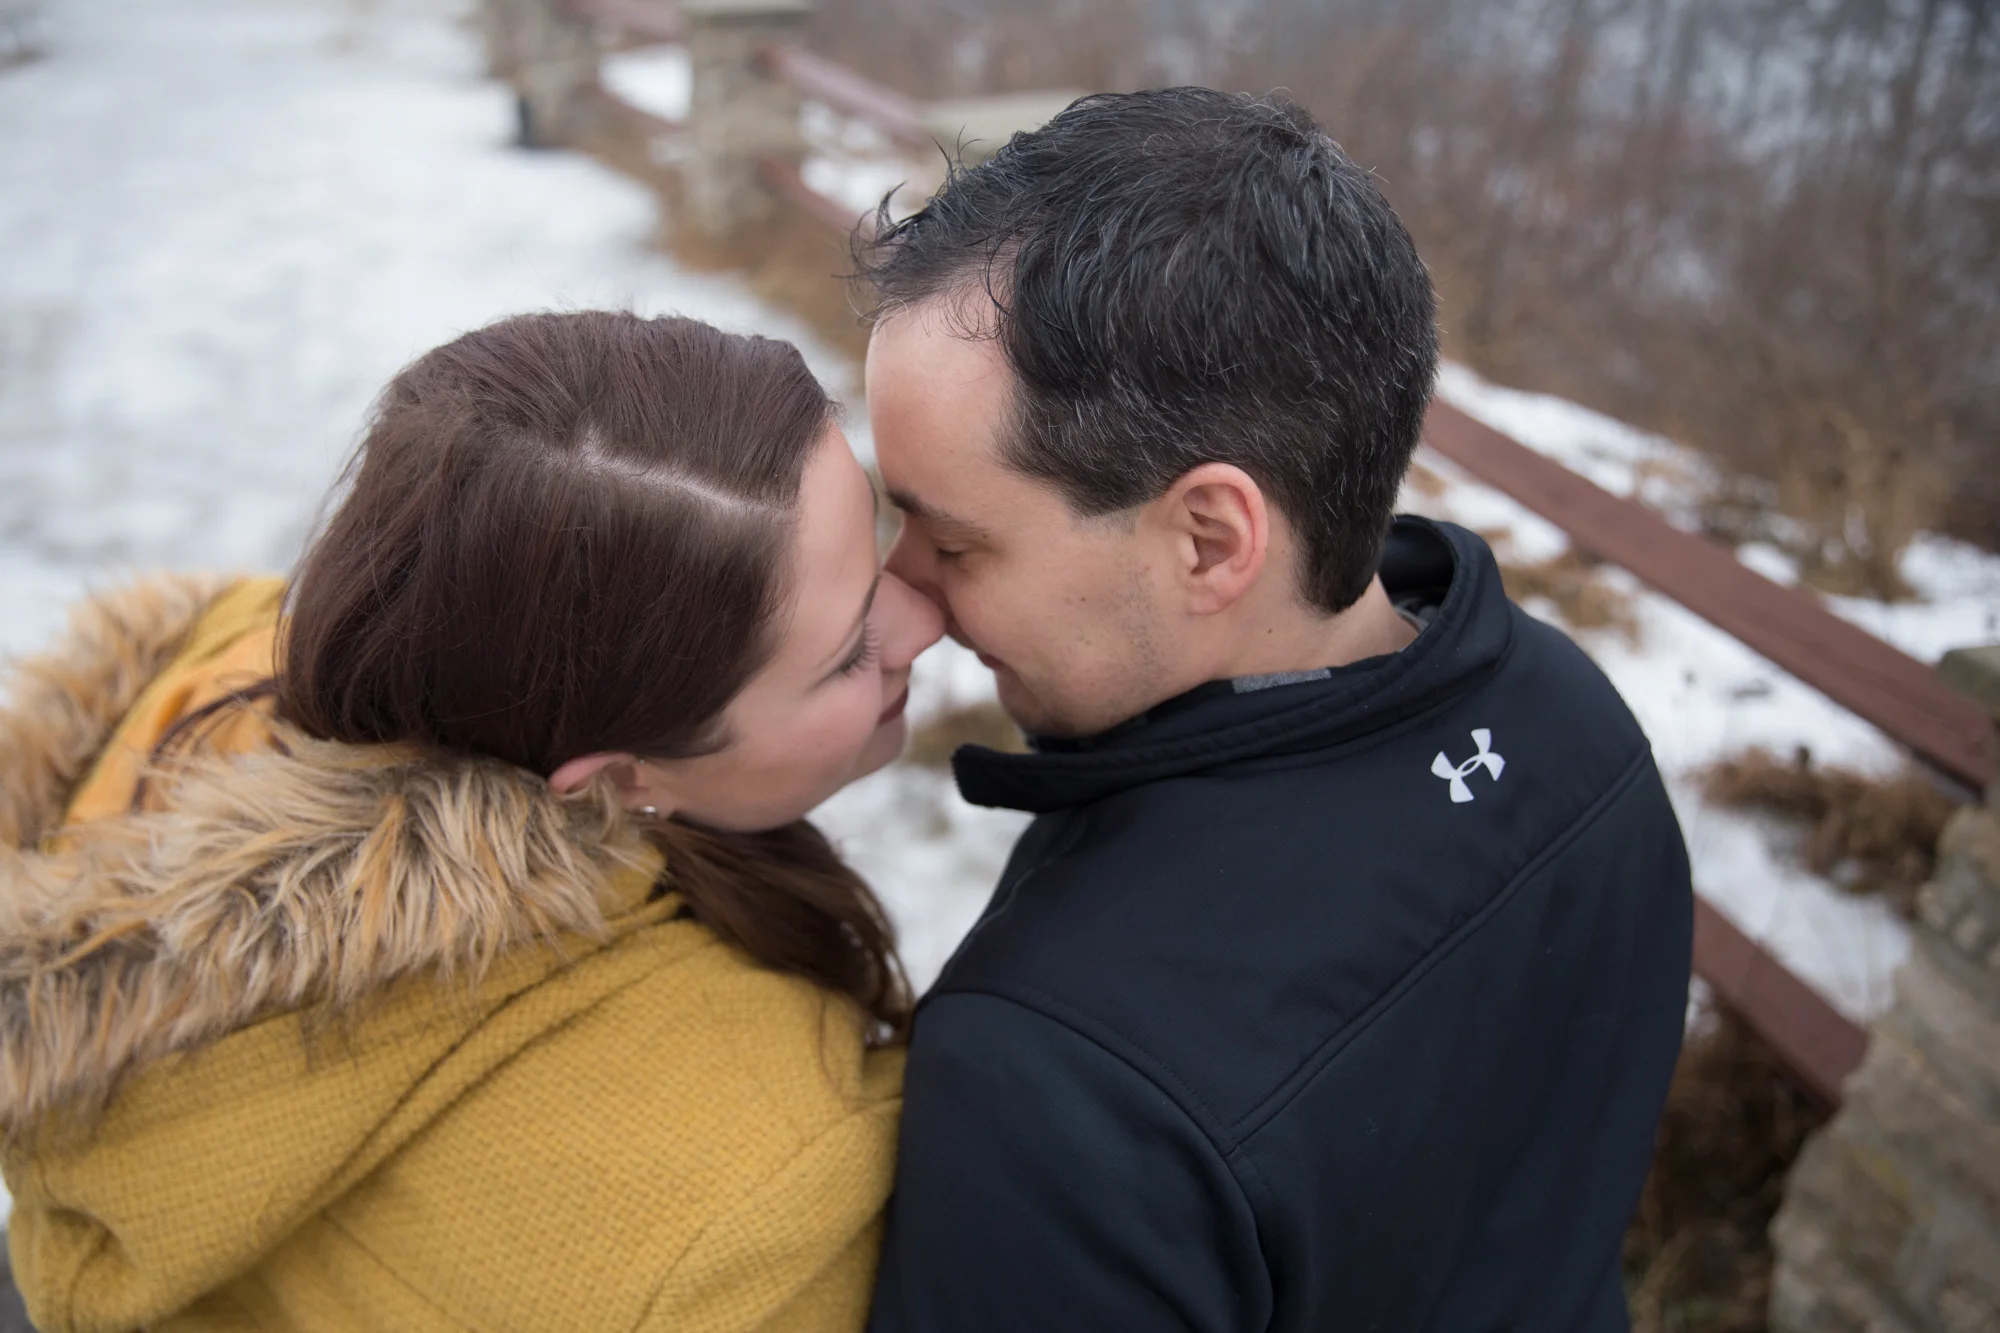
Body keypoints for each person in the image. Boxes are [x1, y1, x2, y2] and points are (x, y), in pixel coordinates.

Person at [860, 88, 1694, 1331]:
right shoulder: (1572, 721)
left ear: (1208, 539)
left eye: (954, 539)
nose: (904, 597)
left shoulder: (1057, 1077)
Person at [0, 312, 942, 1332]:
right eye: (847, 650)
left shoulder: (196, 683)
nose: (920, 619)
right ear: (619, 776)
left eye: (878, 543)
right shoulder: (750, 1201)